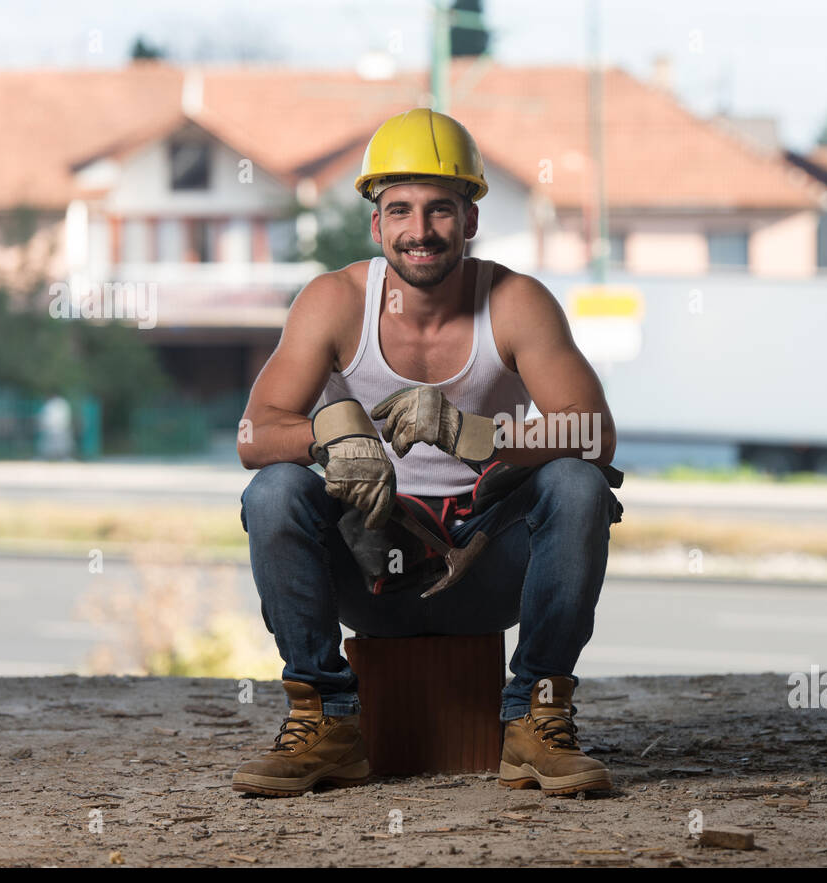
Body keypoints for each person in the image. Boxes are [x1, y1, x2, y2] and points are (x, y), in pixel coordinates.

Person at [231, 108, 622, 798]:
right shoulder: (334, 300)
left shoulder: (516, 301)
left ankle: (539, 716)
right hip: (372, 564)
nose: (420, 230)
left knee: (578, 482)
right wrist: (334, 433)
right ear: (376, 223)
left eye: (441, 209)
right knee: (274, 491)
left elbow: (594, 433)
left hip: (488, 570)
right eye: (400, 210)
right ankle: (324, 719)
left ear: (470, 220)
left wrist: (473, 434)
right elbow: (252, 436)